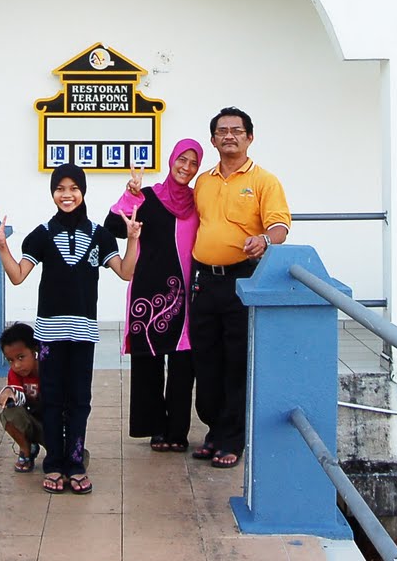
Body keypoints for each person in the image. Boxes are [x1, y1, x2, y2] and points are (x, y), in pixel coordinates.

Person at [0, 163, 141, 495]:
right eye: (60, 188)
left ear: (82, 192)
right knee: (54, 398)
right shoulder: (40, 235)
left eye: (73, 188)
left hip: (84, 334)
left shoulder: (100, 235)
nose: (66, 194)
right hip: (49, 336)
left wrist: (132, 240)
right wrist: (2, 247)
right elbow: (18, 276)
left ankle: (75, 463)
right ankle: (54, 463)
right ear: (53, 193)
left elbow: (126, 272)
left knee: (80, 400)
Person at [189, 107, 290, 469]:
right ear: (213, 139)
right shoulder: (204, 181)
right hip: (204, 282)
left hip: (241, 281)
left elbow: (279, 226)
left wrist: (264, 239)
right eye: (222, 131)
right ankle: (215, 430)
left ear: (249, 137)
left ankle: (232, 439)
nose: (229, 136)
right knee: (206, 360)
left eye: (236, 130)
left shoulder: (264, 181)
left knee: (236, 361)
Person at [105, 138, 203, 452]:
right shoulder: (147, 197)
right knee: (148, 362)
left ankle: (177, 432)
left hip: (186, 295)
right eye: (182, 159)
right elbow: (113, 228)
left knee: (182, 364)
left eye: (193, 162)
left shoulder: (197, 204)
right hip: (149, 293)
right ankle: (155, 429)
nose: (186, 167)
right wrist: (128, 196)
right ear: (171, 159)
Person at [0, 322, 44, 473]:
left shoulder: (49, 369)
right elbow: (18, 395)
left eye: (21, 357)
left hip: (55, 425)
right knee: (8, 414)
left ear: (35, 351)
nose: (16, 365)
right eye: (11, 360)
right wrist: (8, 393)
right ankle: (27, 449)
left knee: (77, 459)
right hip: (31, 421)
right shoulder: (15, 374)